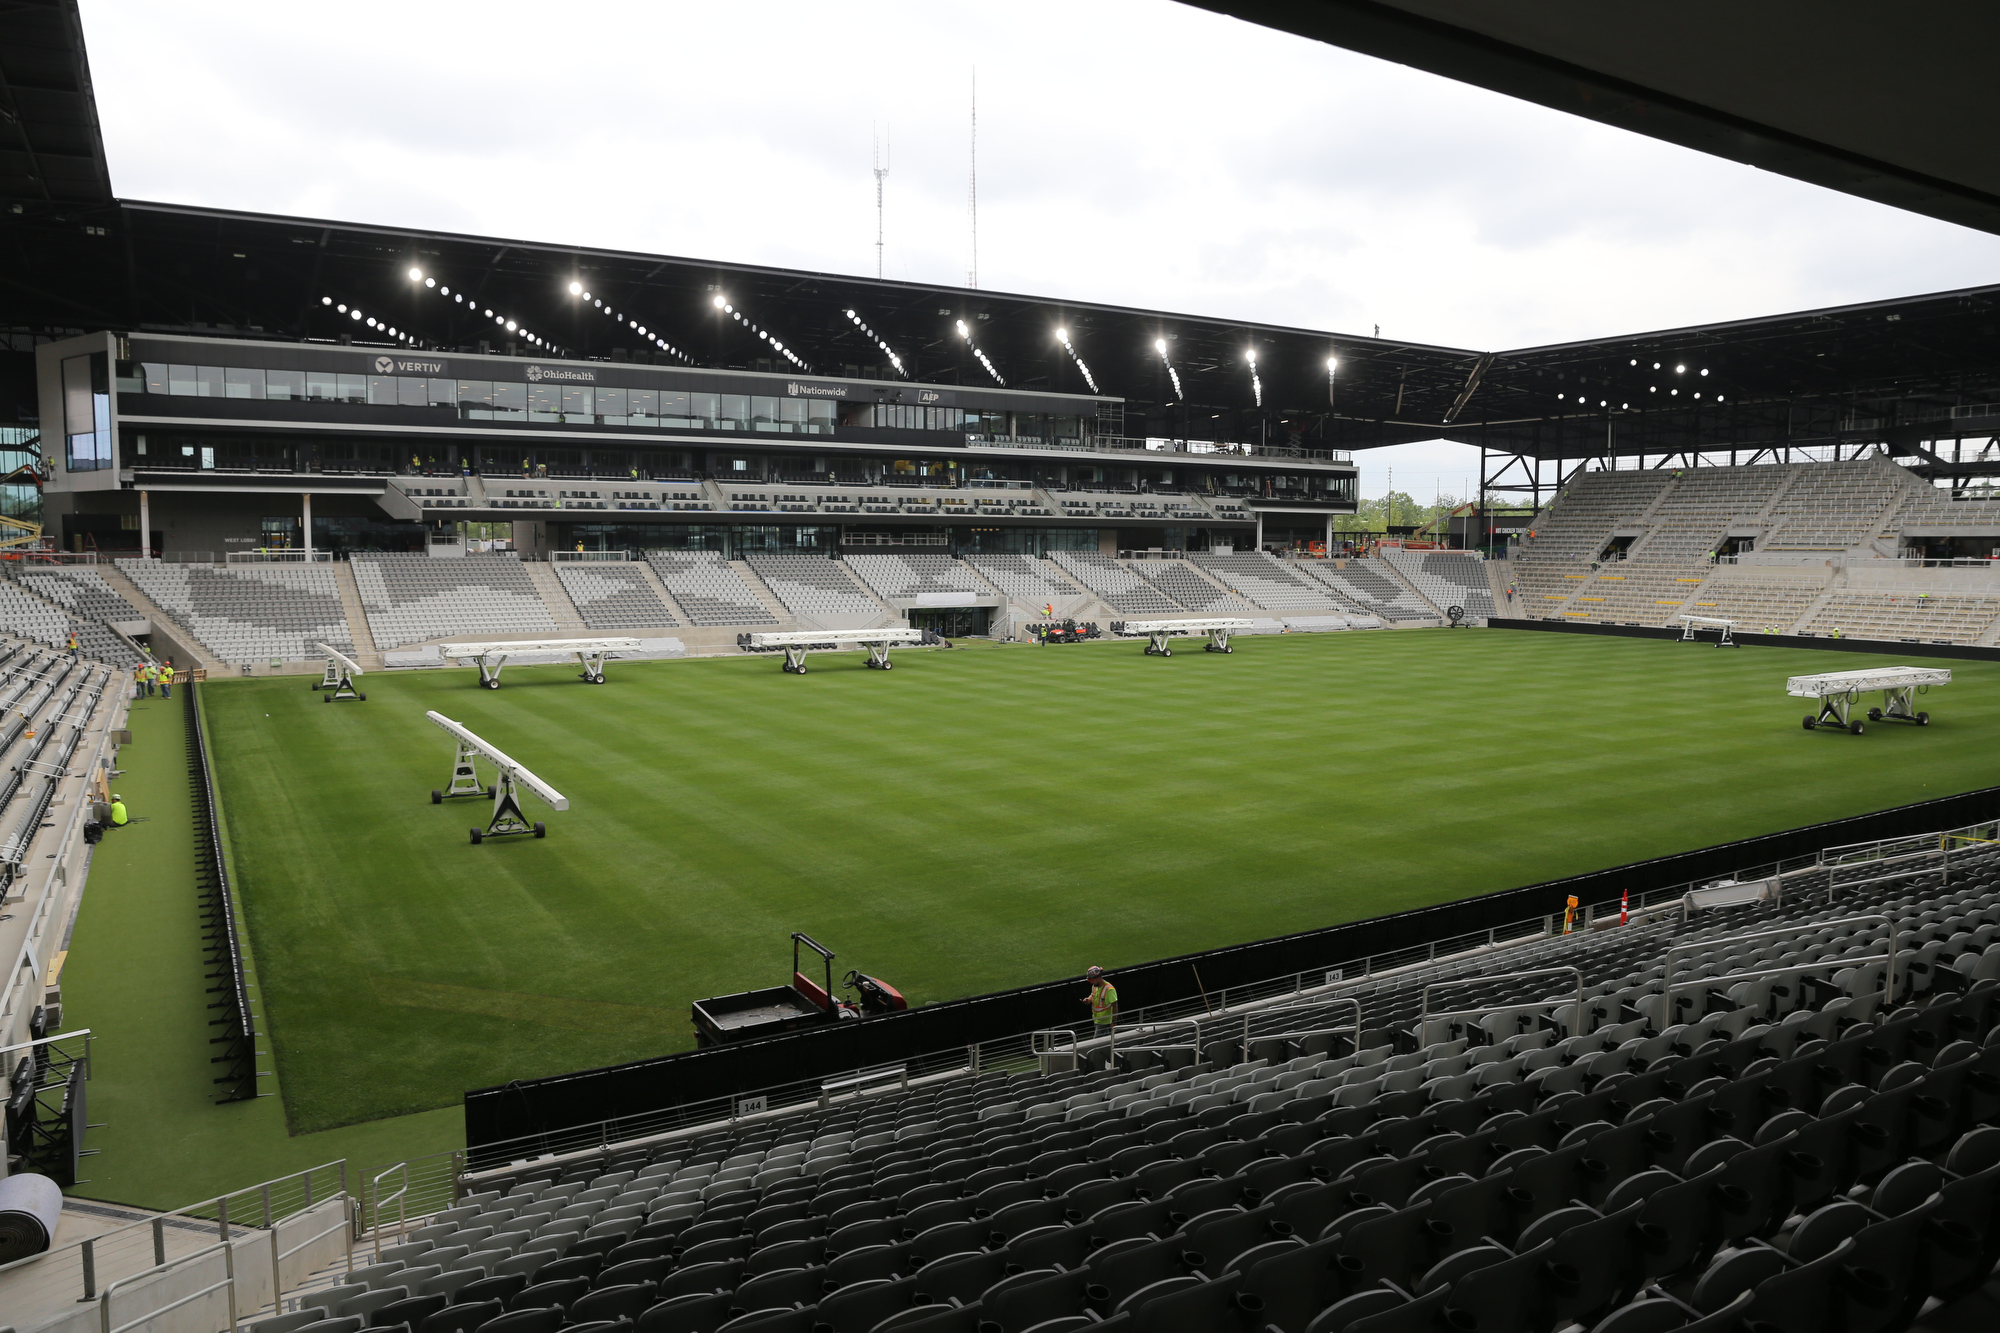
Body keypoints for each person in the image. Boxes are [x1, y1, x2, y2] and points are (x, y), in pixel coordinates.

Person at [1083, 966, 1118, 1034]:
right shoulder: (1094, 986)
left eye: (1091, 980)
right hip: (1097, 1020)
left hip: (1105, 1021)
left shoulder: (1109, 989)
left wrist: (1114, 1022)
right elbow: (1092, 995)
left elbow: (1115, 1006)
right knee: (1107, 1039)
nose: (1090, 982)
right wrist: (1088, 1000)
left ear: (1097, 978)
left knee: (1096, 1042)